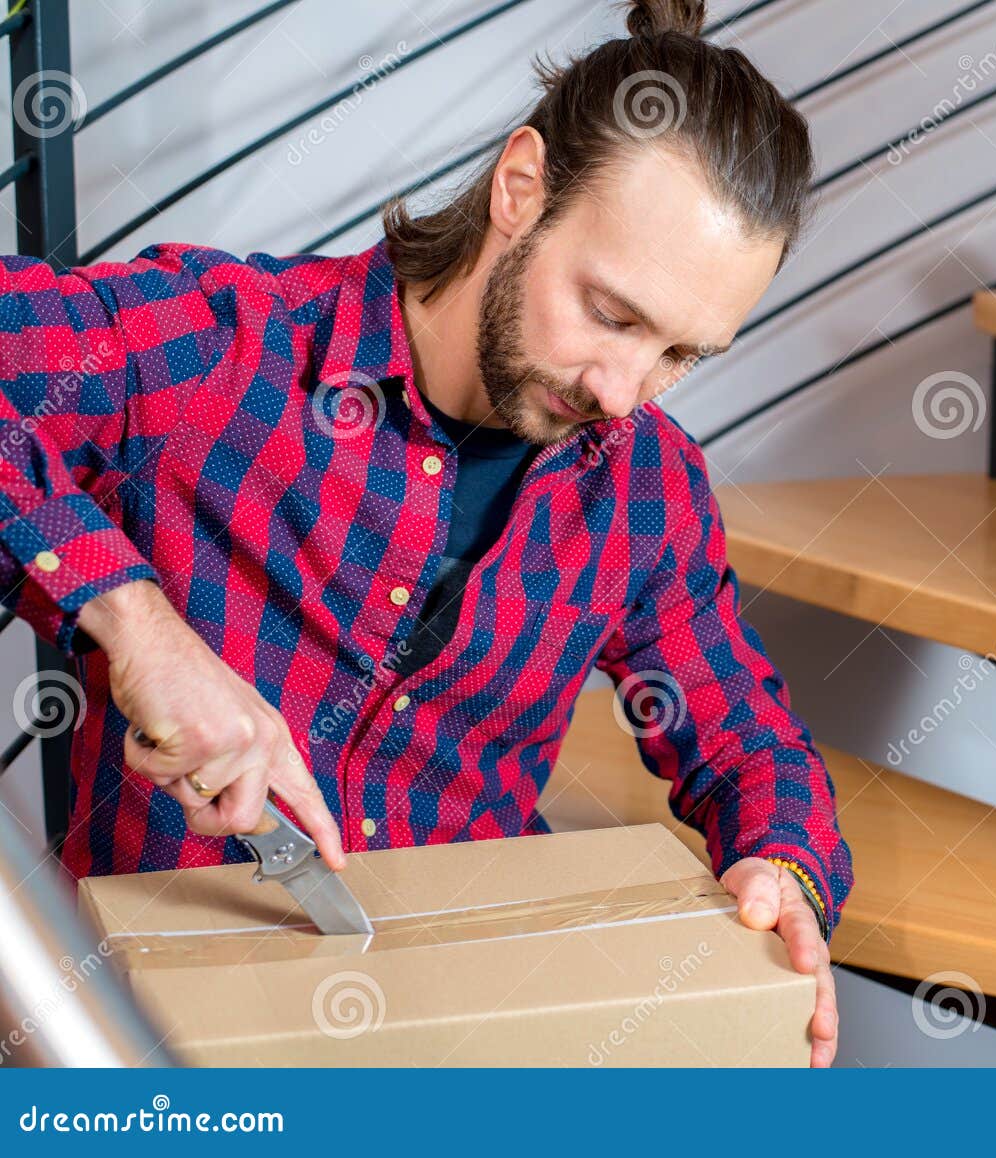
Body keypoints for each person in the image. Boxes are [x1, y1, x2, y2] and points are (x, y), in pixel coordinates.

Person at [0, 0, 852, 1066]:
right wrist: (138, 628)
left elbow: (746, 744)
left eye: (683, 354)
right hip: (164, 1052)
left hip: (467, 1056)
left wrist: (787, 871)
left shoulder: (645, 491)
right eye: (613, 314)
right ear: (520, 186)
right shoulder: (223, 350)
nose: (623, 391)